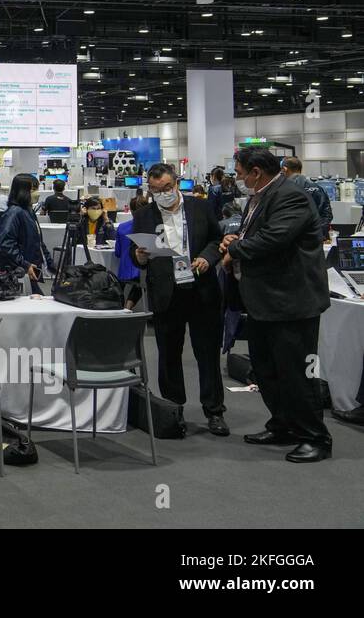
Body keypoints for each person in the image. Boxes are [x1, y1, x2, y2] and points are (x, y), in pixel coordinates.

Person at [219, 146, 331, 462]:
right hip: (263, 301)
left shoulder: (290, 196)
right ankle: (283, 425)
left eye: (239, 171)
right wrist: (234, 239)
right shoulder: (260, 196)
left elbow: (274, 239)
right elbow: (252, 234)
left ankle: (315, 437)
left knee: (298, 372)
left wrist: (237, 248)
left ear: (256, 171)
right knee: (266, 370)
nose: (236, 177)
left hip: (292, 302)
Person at [131, 163, 227, 436]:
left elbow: (216, 240)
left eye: (167, 188)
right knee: (168, 354)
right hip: (165, 292)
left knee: (207, 353)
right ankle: (174, 409)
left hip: (202, 290)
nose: (162, 194)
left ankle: (214, 410)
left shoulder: (200, 207)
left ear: (176, 183)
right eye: (155, 190)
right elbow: (133, 253)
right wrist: (138, 257)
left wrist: (208, 259)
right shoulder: (143, 215)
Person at [0, 175, 53, 293]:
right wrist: (25, 264)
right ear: (22, 192)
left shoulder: (28, 211)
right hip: (18, 273)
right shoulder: (14, 213)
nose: (37, 193)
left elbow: (38, 242)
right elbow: (6, 245)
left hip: (28, 269)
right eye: (33, 190)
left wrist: (51, 264)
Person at [280, 156, 333, 243]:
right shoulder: (317, 187)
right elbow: (327, 214)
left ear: (285, 169)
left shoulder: (284, 189)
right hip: (316, 239)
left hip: (293, 241)